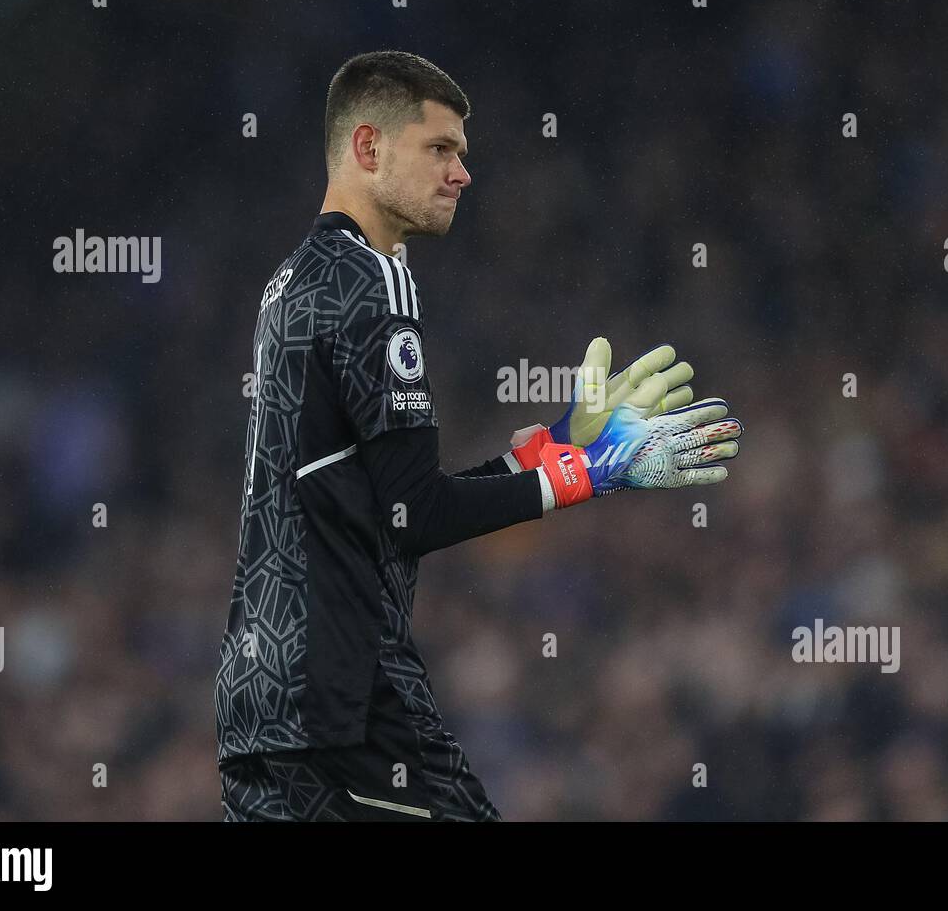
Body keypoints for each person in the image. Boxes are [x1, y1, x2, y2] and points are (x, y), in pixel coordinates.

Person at [215, 50, 742, 821]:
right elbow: (415, 516)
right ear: (369, 148)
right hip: (348, 699)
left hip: (260, 706)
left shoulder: (288, 284)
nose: (462, 173)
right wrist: (595, 471)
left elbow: (383, 504)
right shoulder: (377, 278)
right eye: (440, 149)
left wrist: (551, 450)